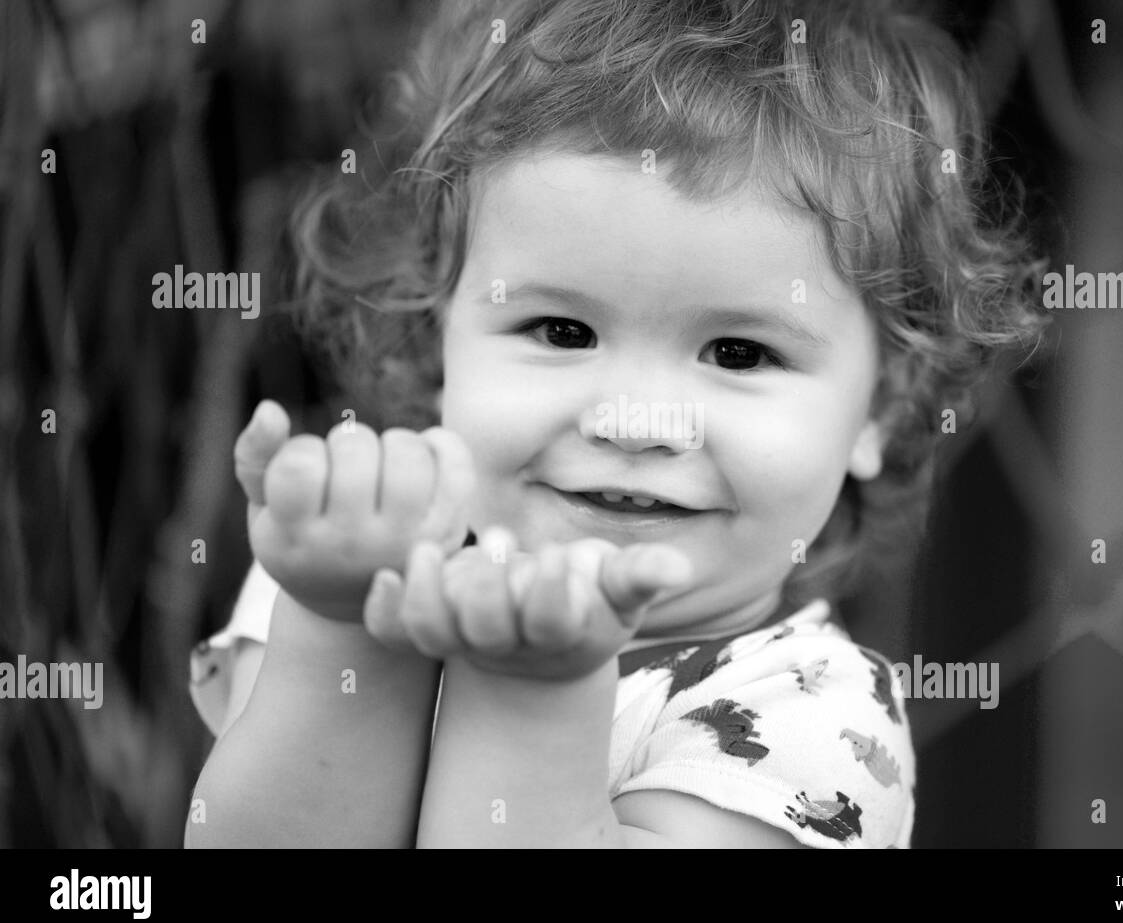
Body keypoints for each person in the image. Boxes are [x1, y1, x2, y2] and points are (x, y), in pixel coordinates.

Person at [186, 0, 1047, 848]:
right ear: (434, 336)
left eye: (739, 353)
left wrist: (534, 693)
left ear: (881, 407)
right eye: (562, 332)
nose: (638, 422)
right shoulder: (357, 575)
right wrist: (345, 624)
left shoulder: (815, 717)